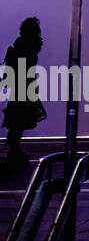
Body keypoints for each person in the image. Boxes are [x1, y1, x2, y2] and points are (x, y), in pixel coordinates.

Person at [2, 18, 45, 167]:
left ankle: (14, 148)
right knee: (21, 118)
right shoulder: (31, 44)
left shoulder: (19, 43)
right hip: (25, 85)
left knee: (17, 118)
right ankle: (14, 149)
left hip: (19, 84)